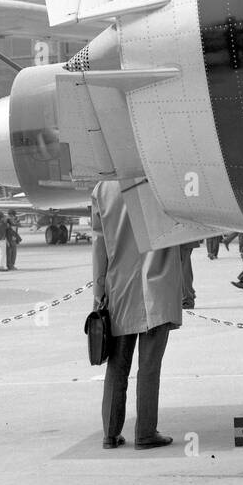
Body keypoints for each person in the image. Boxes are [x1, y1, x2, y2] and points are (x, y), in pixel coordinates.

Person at [92, 179, 183, 451]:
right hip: (158, 286)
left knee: (117, 366)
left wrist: (99, 291)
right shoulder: (161, 177)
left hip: (119, 287)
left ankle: (110, 433)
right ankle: (145, 432)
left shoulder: (102, 188)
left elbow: (99, 244)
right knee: (149, 367)